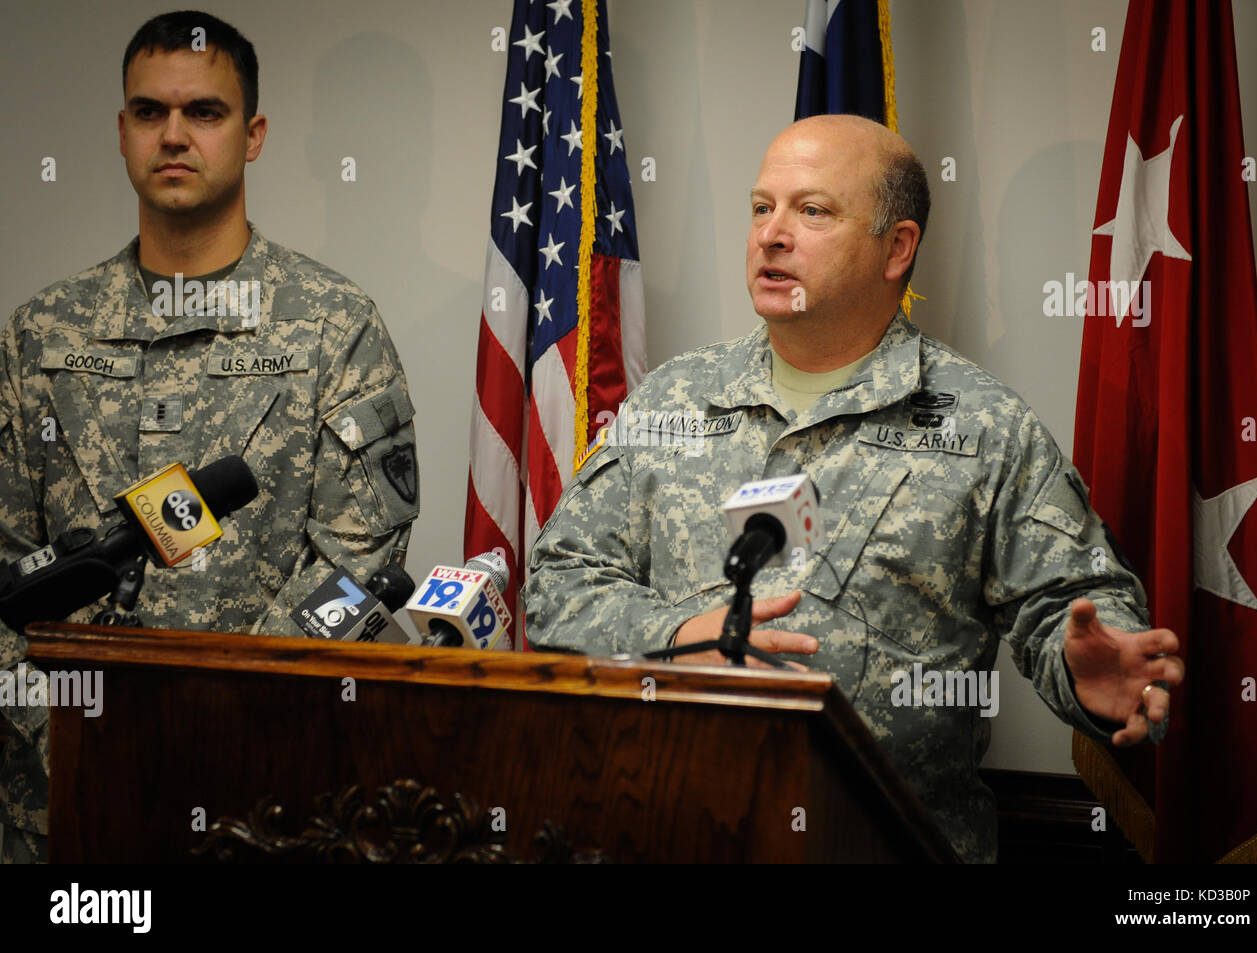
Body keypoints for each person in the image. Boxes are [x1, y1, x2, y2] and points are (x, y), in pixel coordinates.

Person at [524, 114, 1185, 863]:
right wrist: (673, 638)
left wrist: (1084, 667)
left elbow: (1070, 606)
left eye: (812, 211)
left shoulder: (983, 426)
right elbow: (556, 585)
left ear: (897, 247)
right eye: (761, 207)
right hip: (672, 833)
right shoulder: (671, 400)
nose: (772, 234)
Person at [0, 11, 419, 863]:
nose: (174, 135)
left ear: (253, 134)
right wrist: (66, 733)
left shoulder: (333, 327)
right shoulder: (42, 334)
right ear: (121, 133)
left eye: (206, 113)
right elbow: (6, 571)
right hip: (63, 804)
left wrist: (218, 734)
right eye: (150, 112)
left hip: (261, 802)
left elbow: (356, 568)